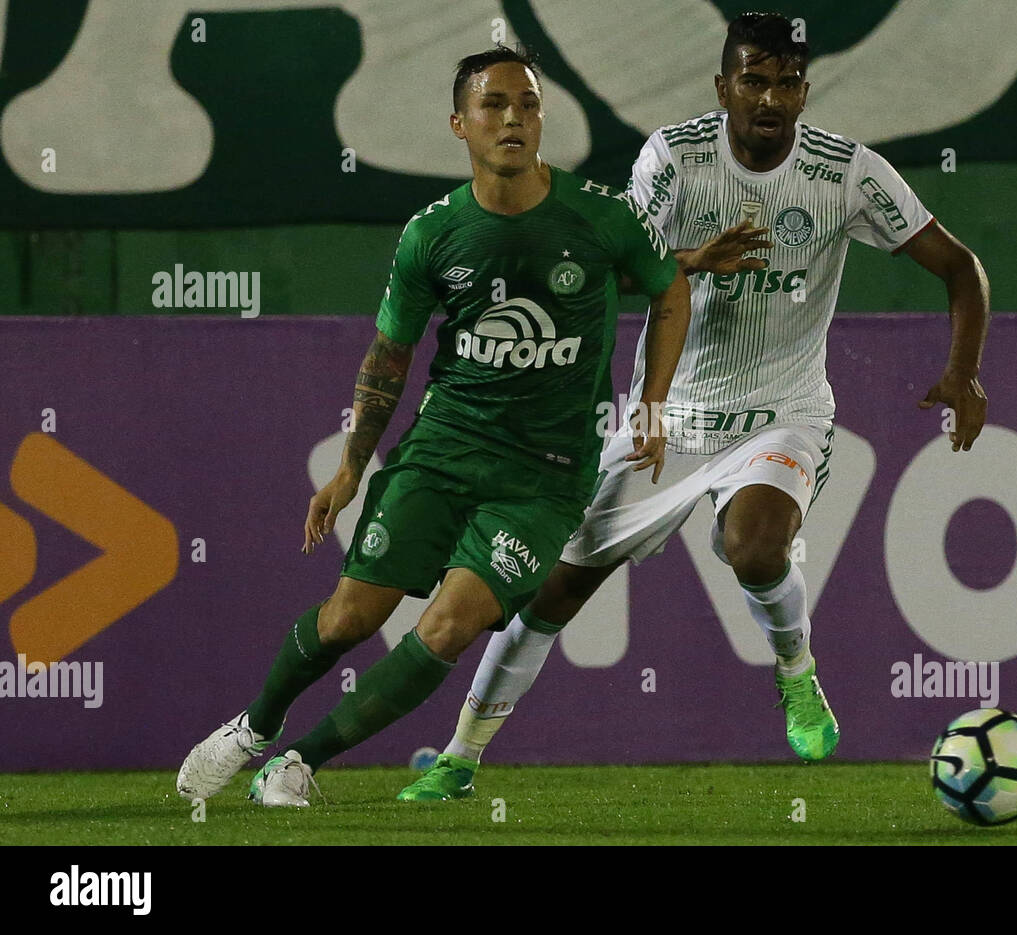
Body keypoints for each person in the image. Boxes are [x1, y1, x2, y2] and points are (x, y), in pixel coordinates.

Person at [400, 12, 991, 802]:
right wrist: (689, 261)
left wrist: (965, 374)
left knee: (752, 545)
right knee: (548, 592)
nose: (770, 97)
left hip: (783, 412)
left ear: (805, 91)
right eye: (753, 79)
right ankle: (461, 754)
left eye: (786, 82)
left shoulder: (846, 173)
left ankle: (795, 671)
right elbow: (604, 272)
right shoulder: (674, 160)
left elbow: (960, 267)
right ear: (723, 87)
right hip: (668, 420)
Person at [175, 45, 691, 806]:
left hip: (543, 477)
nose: (513, 117)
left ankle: (300, 763)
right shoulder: (432, 235)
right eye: (494, 105)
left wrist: (652, 403)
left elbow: (670, 290)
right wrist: (352, 466)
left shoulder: (604, 217)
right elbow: (390, 355)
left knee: (449, 627)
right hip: (442, 451)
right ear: (460, 124)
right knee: (351, 616)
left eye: (528, 104)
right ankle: (255, 725)